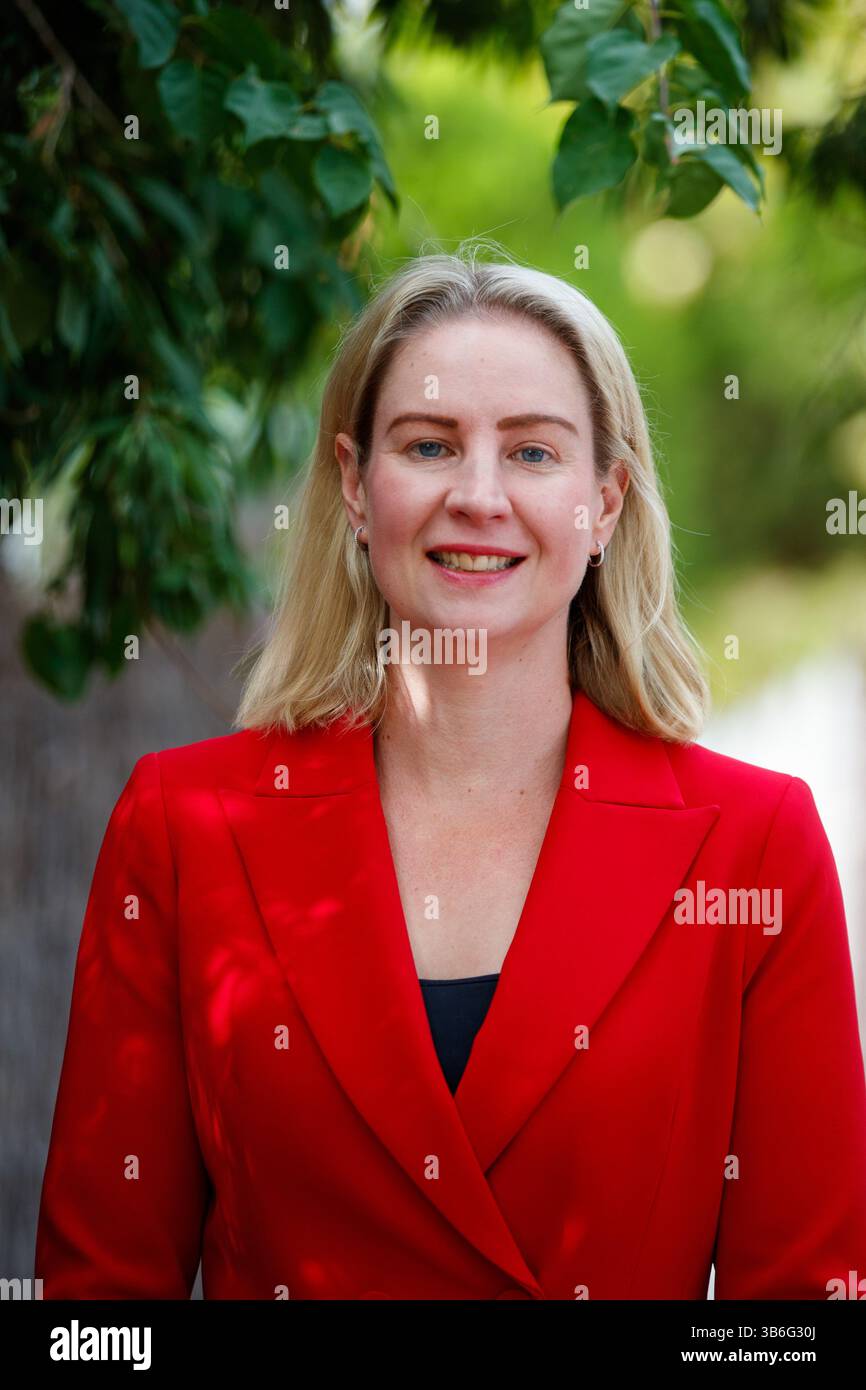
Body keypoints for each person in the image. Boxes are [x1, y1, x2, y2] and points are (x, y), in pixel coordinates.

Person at [35, 243, 866, 1300]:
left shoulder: (752, 844)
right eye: (429, 445)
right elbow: (96, 1307)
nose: (477, 496)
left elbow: (798, 1315)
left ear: (602, 502)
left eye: (531, 453)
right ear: (352, 481)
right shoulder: (182, 826)